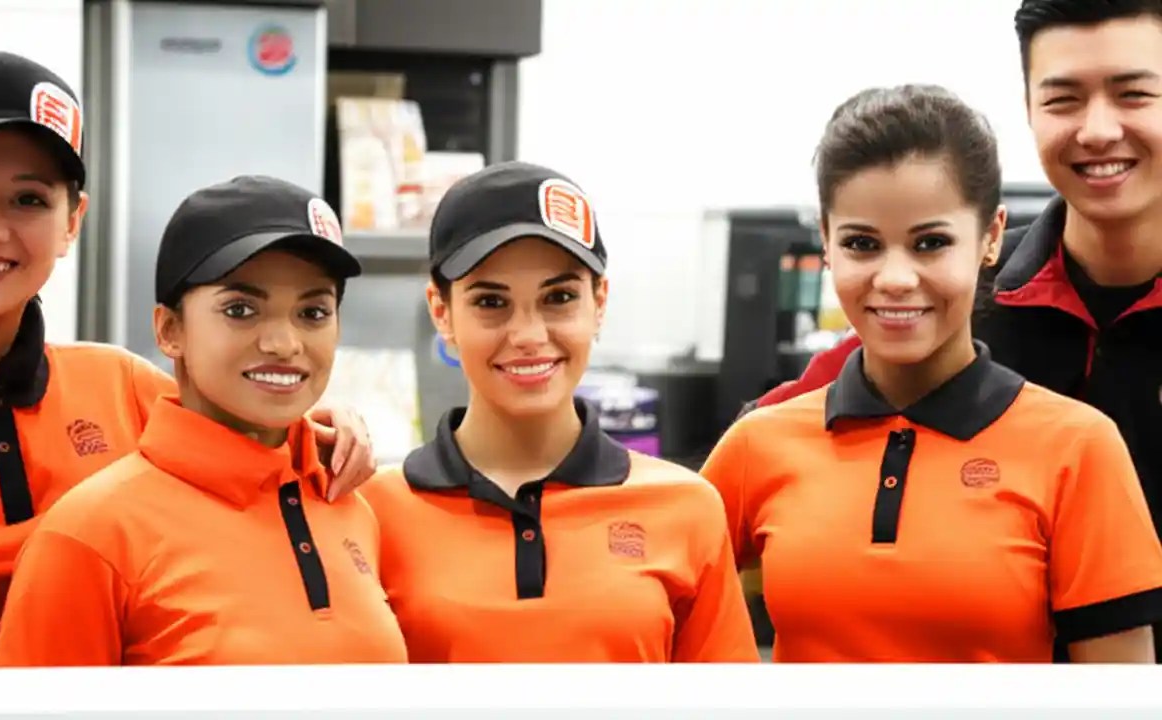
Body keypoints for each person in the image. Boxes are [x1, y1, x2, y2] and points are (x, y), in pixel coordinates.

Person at [0, 52, 375, 669]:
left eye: (28, 199)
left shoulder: (124, 389)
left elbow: (248, 441)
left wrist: (325, 427)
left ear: (72, 222)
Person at [735, 0, 1162, 661]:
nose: (1098, 130)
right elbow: (781, 447)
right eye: (1063, 99)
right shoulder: (950, 299)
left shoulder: (1076, 441)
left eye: (1134, 94)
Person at [0, 176, 407, 666]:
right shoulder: (91, 534)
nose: (284, 344)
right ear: (170, 330)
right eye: (240, 309)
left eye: (313, 313)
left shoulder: (348, 505)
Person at [360, 161, 761, 663]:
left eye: (559, 297)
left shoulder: (686, 509)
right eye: (491, 302)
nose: (529, 335)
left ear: (599, 303)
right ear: (442, 312)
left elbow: (723, 701)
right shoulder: (370, 512)